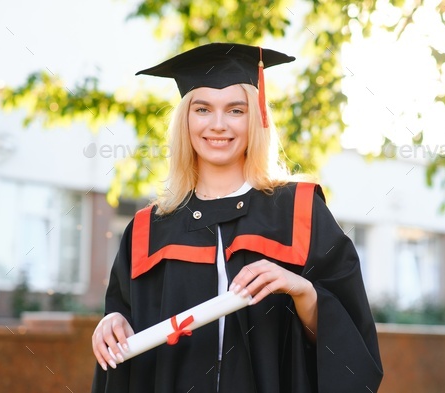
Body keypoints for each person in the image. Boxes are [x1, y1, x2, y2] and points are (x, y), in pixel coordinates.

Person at [91, 42, 383, 393]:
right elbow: (126, 320)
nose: (218, 125)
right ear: (185, 119)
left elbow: (353, 345)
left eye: (235, 110)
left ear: (256, 117)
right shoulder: (148, 229)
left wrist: (302, 291)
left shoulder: (299, 211)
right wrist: (112, 324)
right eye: (202, 109)